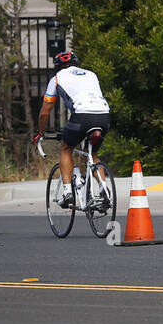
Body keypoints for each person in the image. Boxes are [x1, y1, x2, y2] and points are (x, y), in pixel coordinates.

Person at [35, 50, 111, 207]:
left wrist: (40, 133)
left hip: (82, 116)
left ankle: (68, 192)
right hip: (104, 115)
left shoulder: (56, 79)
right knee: (92, 153)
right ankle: (105, 190)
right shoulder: (91, 74)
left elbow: (44, 112)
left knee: (66, 148)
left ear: (58, 66)